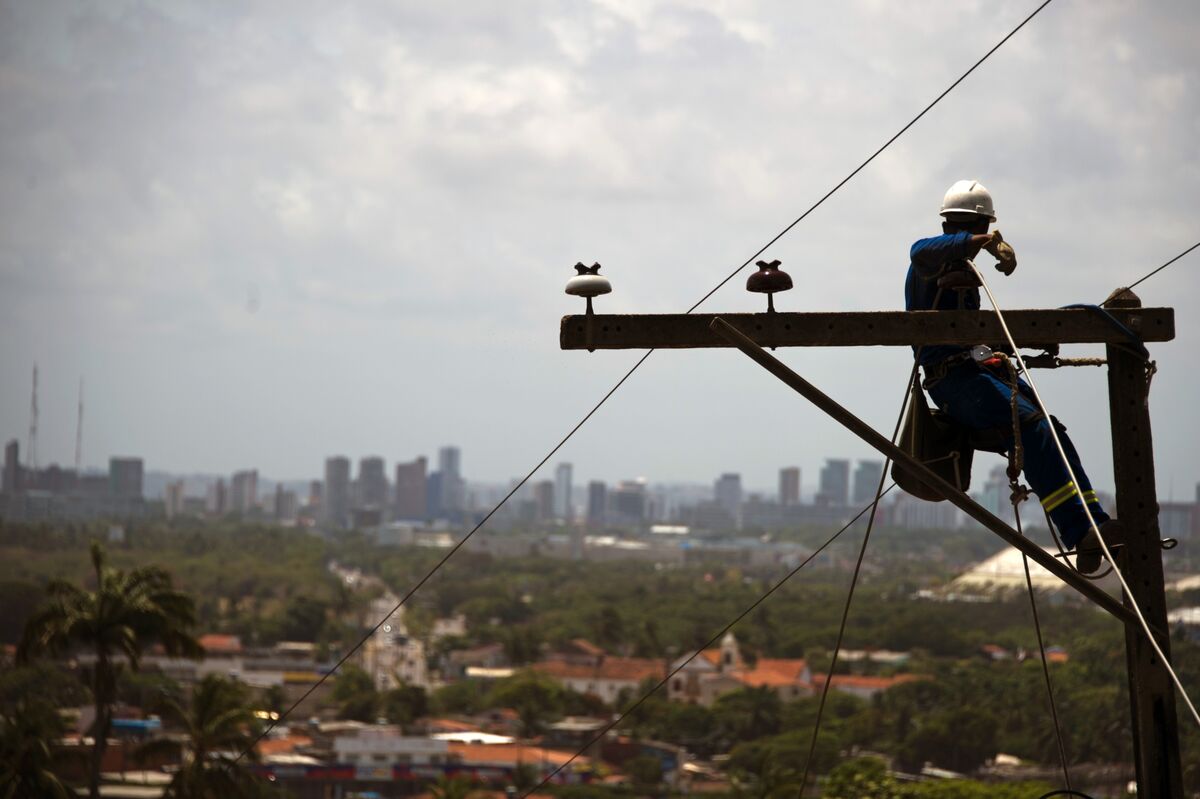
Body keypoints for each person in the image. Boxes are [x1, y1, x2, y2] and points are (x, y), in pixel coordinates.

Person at [905, 179, 1119, 574]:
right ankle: (1078, 531)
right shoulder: (928, 264)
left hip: (974, 372)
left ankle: (1094, 526)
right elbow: (919, 251)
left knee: (1049, 431)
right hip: (952, 381)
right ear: (976, 224)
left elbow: (973, 332)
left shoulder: (961, 270)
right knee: (1033, 427)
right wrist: (985, 241)